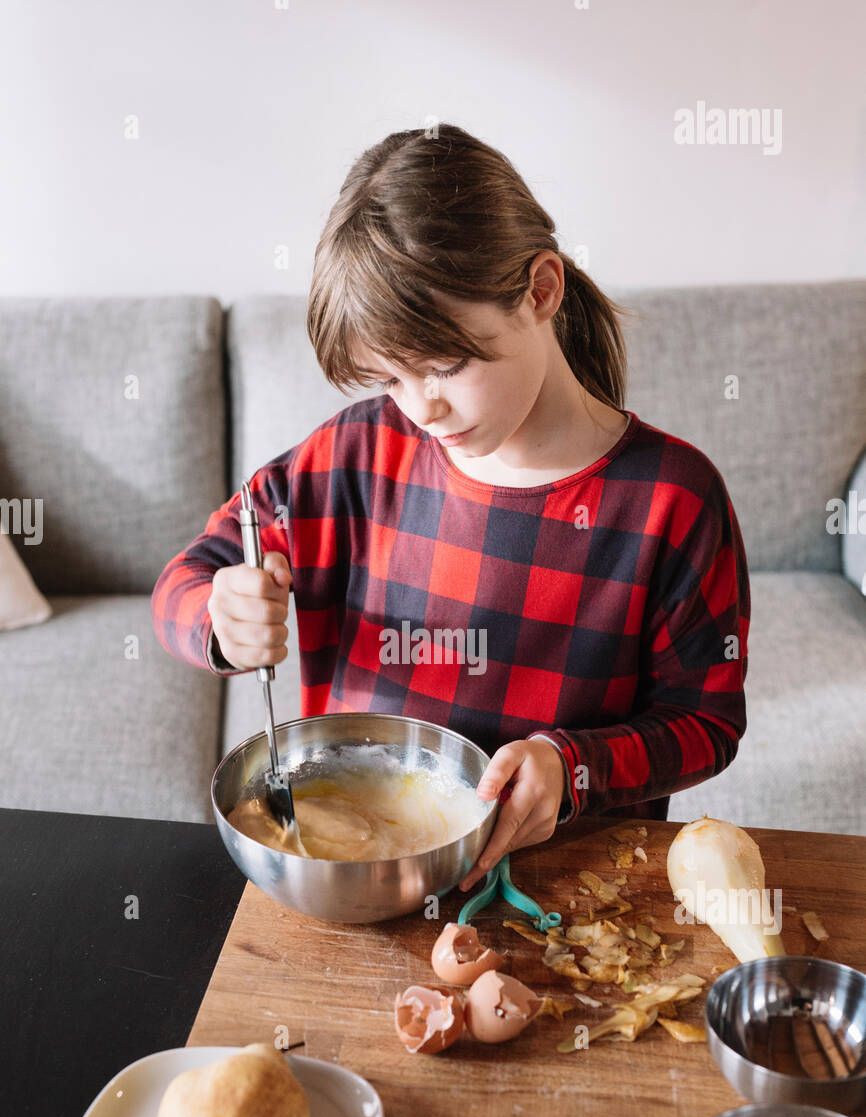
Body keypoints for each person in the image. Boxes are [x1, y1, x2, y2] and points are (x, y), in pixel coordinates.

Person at [152, 123, 750, 894]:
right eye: (389, 381)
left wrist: (576, 767)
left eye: (445, 365)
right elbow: (184, 578)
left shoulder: (672, 500)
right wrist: (219, 619)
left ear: (541, 291)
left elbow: (706, 724)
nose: (421, 409)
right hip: (360, 883)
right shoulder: (354, 456)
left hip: (575, 888)